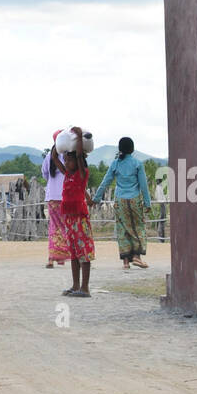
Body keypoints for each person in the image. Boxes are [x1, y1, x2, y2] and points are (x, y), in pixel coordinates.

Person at [94, 137, 151, 270]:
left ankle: (125, 261)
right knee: (138, 227)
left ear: (120, 149)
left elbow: (105, 182)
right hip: (134, 200)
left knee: (122, 229)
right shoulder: (137, 164)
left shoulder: (115, 164)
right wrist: (147, 203)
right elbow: (144, 186)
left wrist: (96, 199)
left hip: (119, 201)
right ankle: (137, 256)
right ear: (132, 149)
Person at [60, 127, 95, 298]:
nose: (66, 163)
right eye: (65, 161)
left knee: (83, 253)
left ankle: (85, 287)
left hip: (80, 219)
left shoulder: (82, 174)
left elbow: (80, 156)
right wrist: (55, 145)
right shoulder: (67, 174)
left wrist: (80, 137)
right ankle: (75, 286)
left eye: (68, 161)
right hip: (70, 220)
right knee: (73, 254)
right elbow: (56, 160)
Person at [42, 130, 68, 268]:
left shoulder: (49, 157)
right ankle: (61, 256)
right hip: (66, 195)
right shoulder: (68, 156)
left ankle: (53, 257)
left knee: (54, 226)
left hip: (52, 196)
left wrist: (52, 183)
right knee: (65, 226)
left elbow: (45, 174)